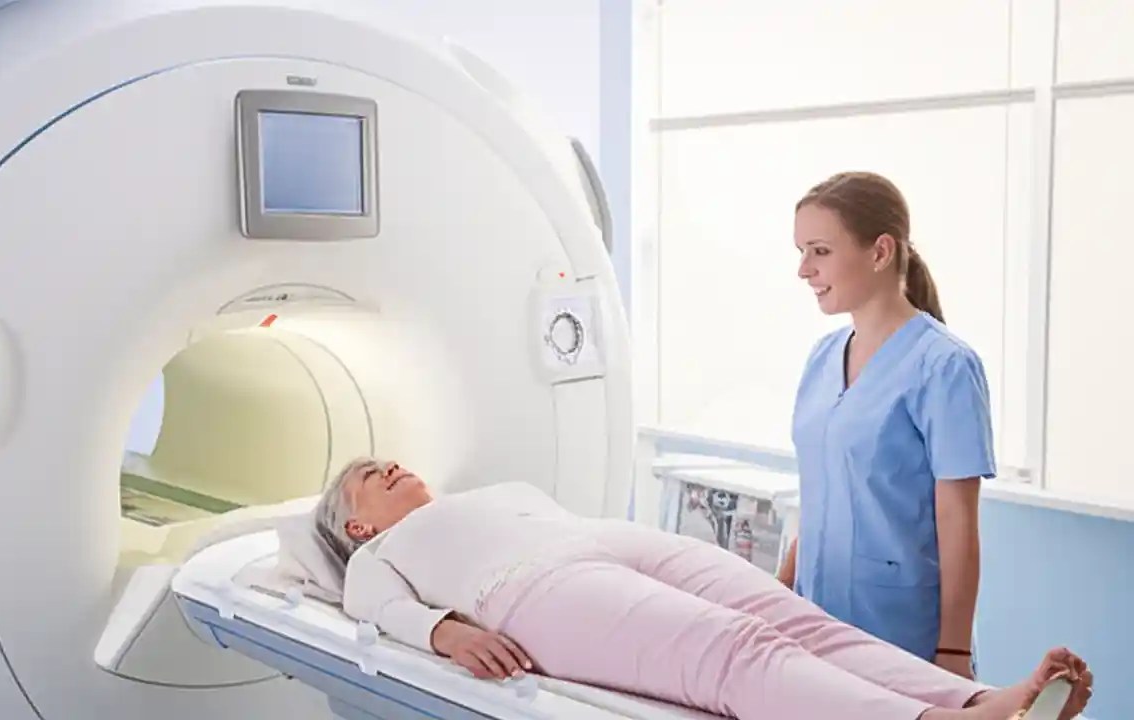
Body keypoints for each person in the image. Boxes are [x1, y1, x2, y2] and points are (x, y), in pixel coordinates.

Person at [312, 457, 1093, 720]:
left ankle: (980, 702)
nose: (388, 469)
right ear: (356, 527)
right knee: (736, 651)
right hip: (533, 590)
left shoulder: (485, 493)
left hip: (600, 539)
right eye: (366, 479)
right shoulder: (382, 557)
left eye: (387, 460)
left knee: (791, 616)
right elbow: (371, 612)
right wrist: (449, 632)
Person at [781, 171, 993, 679]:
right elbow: (820, 500)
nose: (803, 270)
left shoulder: (945, 366)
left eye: (819, 251)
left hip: (901, 636)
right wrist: (775, 598)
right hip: (814, 626)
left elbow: (958, 523)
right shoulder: (822, 357)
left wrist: (954, 654)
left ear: (880, 252)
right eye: (800, 252)